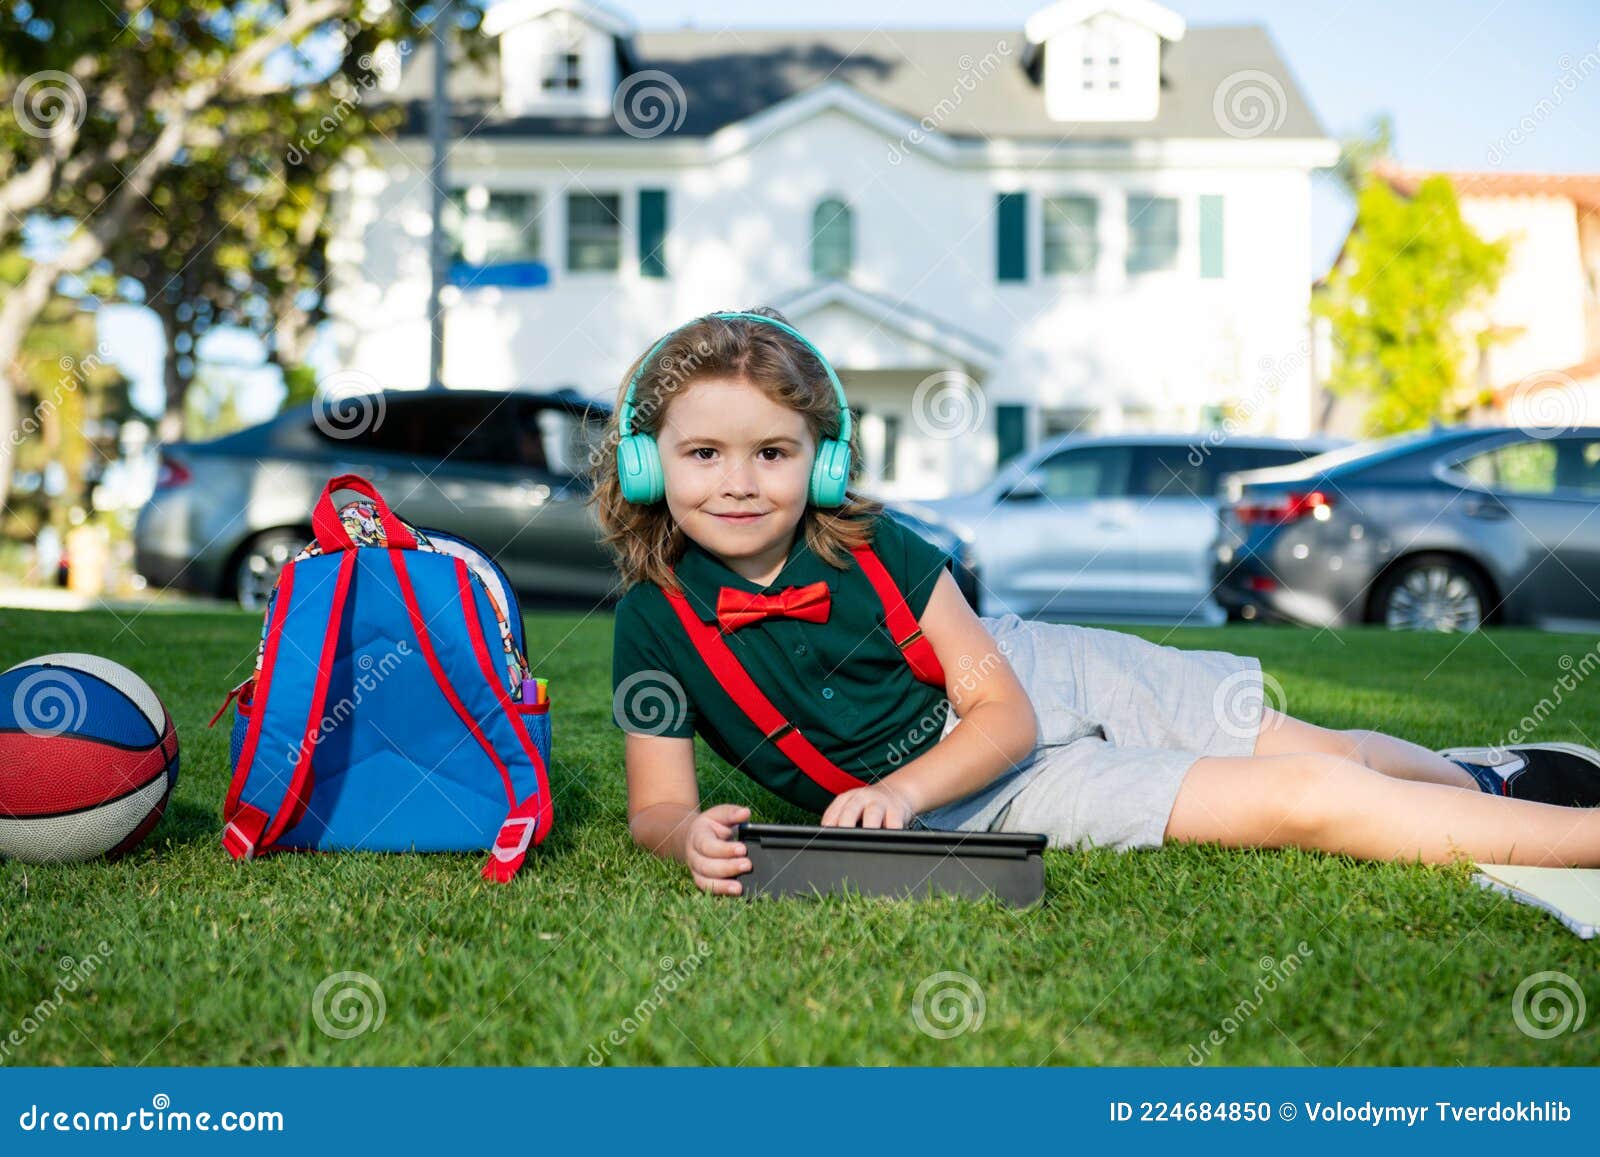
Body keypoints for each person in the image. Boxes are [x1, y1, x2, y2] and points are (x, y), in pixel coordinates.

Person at [592, 308, 1600, 896]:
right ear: (646, 465)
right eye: (702, 453)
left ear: (822, 462)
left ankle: (1484, 779)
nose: (738, 480)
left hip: (1031, 674)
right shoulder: (653, 622)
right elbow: (658, 804)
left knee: (1322, 747)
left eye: (772, 452)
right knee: (1306, 800)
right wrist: (687, 837)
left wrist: (896, 790)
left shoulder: (880, 548)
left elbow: (1003, 711)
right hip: (990, 801)